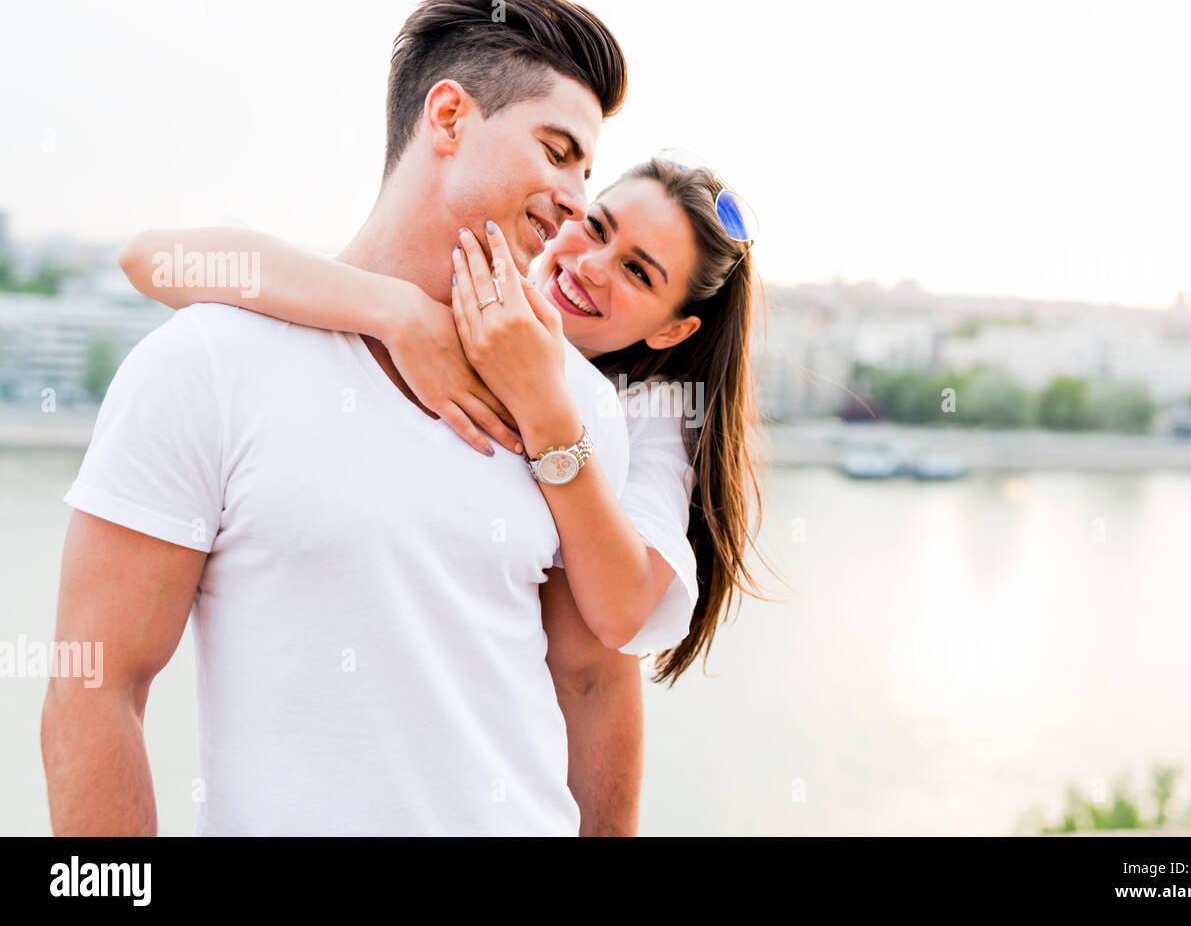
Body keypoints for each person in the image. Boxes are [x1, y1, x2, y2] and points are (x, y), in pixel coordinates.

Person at [42, 0, 643, 836]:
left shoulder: (574, 404)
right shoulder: (210, 362)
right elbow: (94, 686)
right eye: (556, 152)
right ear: (448, 118)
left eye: (588, 170)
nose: (579, 201)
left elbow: (592, 681)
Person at [116, 152, 768, 687]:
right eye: (597, 228)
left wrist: (546, 413)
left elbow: (622, 615)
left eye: (635, 271)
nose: (592, 265)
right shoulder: (464, 279)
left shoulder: (647, 418)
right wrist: (396, 313)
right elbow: (151, 259)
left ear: (673, 329)